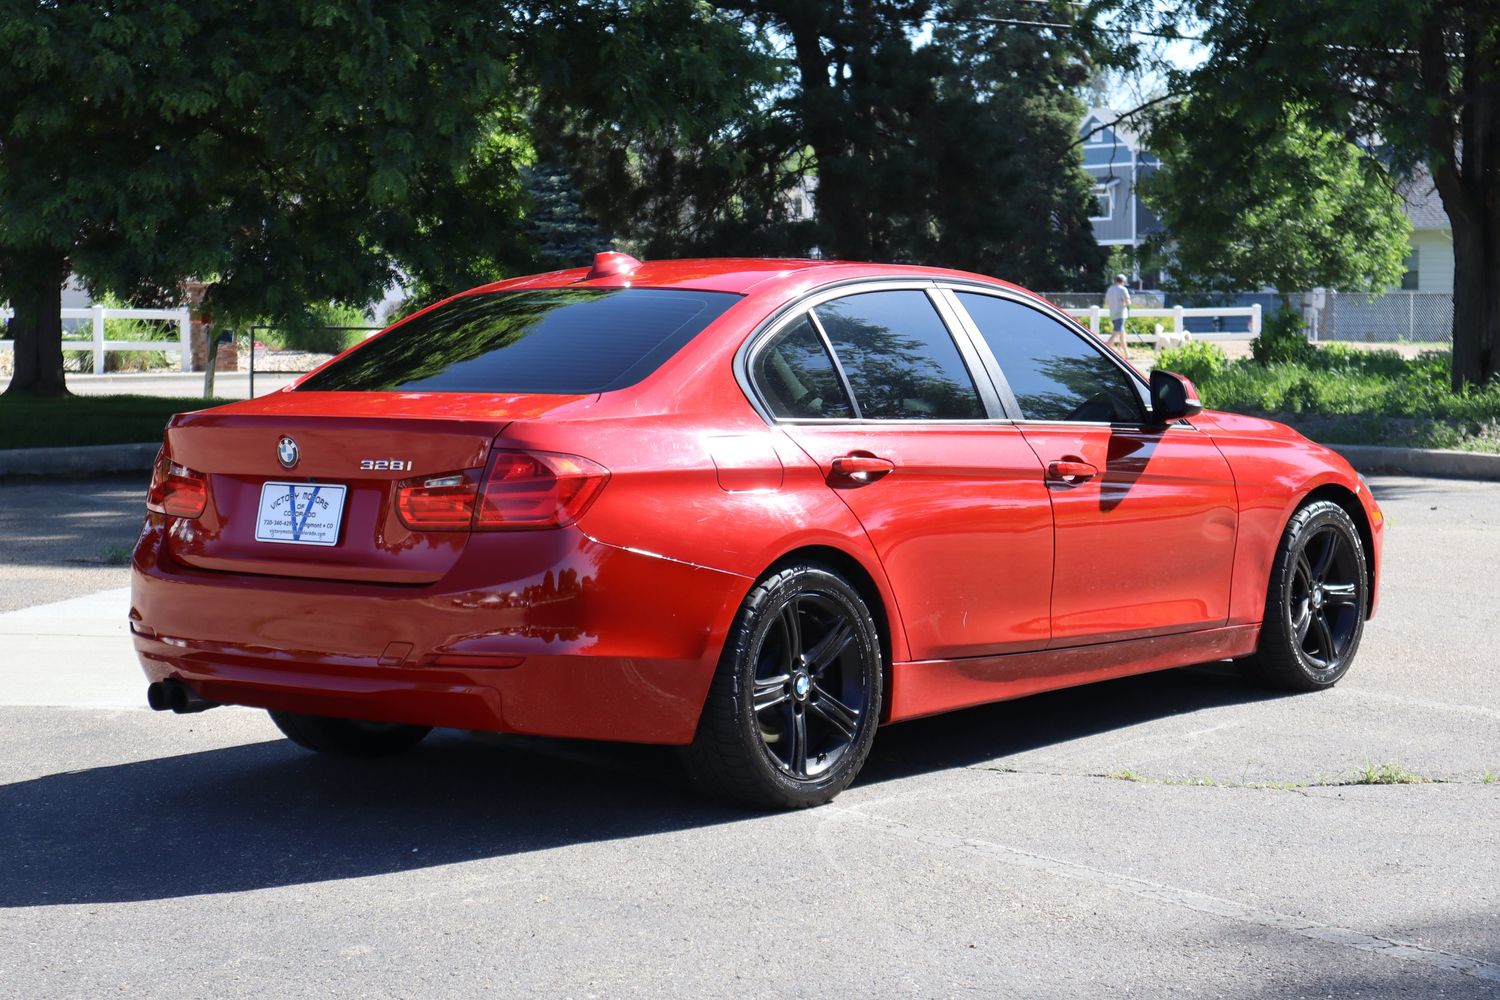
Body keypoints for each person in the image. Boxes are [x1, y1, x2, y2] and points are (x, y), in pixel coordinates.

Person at [1104, 274, 1131, 354]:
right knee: (1115, 333)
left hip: (1112, 314)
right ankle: (1105, 351)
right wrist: (1123, 304)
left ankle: (1127, 354)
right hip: (1121, 314)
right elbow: (1128, 302)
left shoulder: (1110, 289)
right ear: (1123, 281)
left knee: (1122, 335)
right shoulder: (1123, 289)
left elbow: (1106, 302)